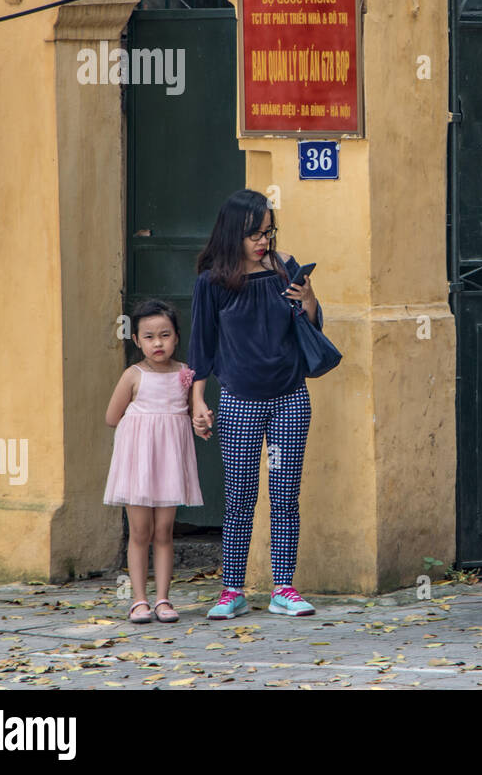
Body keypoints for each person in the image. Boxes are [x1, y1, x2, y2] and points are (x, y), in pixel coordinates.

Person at [188, 189, 323, 619]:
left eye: (268, 232)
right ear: (233, 233)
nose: (263, 241)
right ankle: (232, 590)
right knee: (240, 496)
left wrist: (309, 301)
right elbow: (201, 347)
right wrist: (198, 402)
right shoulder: (212, 282)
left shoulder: (287, 269)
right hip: (239, 400)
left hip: (290, 398)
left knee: (285, 495)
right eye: (253, 234)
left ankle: (284, 587)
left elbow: (314, 322)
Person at [104, 300, 207, 624]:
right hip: (138, 462)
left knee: (164, 531)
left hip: (169, 463)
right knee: (140, 531)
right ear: (136, 340)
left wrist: (201, 423)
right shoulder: (133, 375)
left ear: (177, 337)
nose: (157, 343)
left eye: (165, 334)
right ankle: (138, 600)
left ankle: (163, 599)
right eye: (148, 336)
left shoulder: (185, 374)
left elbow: (193, 414)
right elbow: (112, 417)